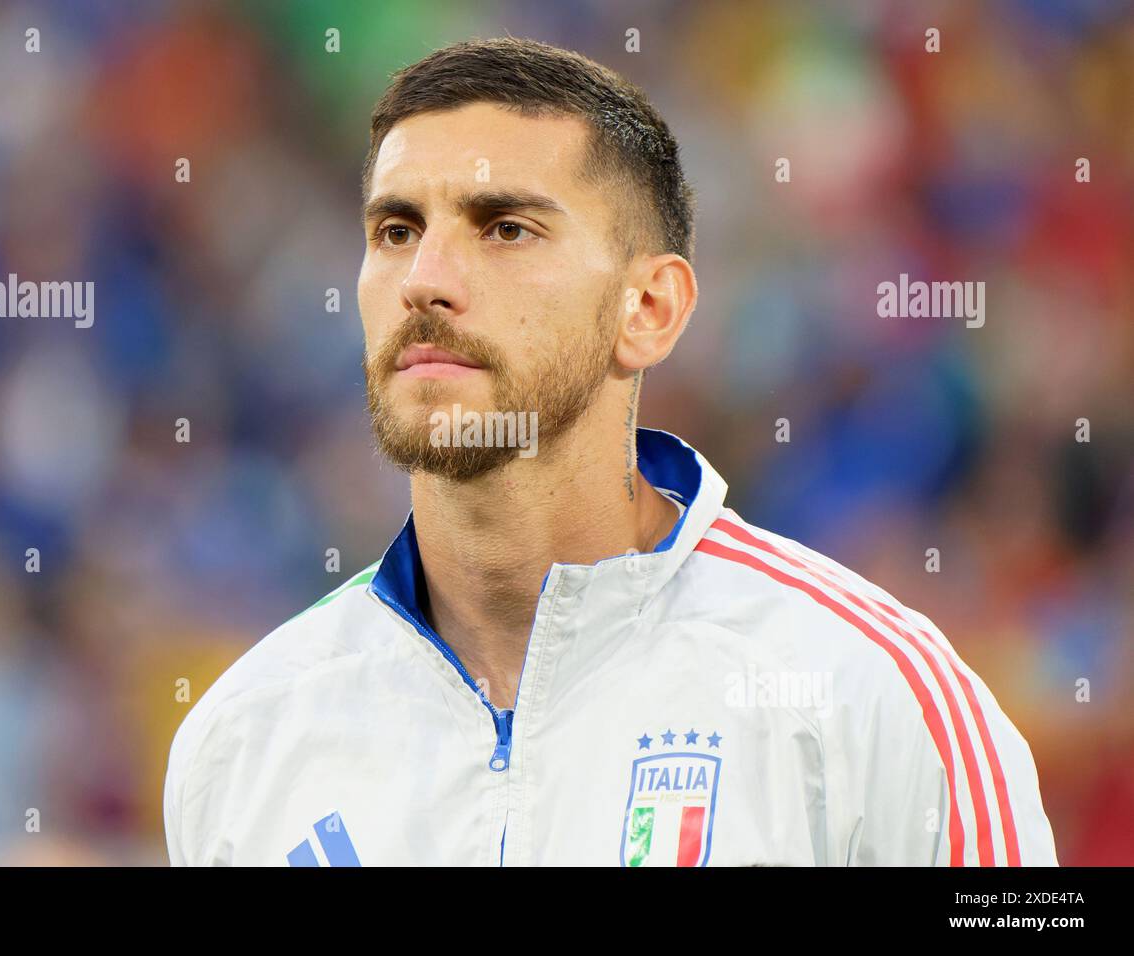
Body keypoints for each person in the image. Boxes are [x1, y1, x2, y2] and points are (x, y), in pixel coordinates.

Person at [164, 37, 1057, 866]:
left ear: (650, 310)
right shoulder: (245, 737)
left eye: (505, 228)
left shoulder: (873, 692)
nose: (425, 281)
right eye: (397, 230)